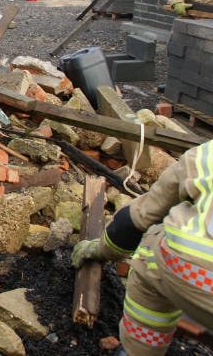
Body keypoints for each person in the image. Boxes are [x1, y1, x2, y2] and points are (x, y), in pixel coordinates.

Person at [72, 139, 213, 355]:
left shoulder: (205, 156)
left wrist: (99, 250)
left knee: (150, 252)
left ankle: (137, 350)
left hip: (201, 276)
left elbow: (135, 220)